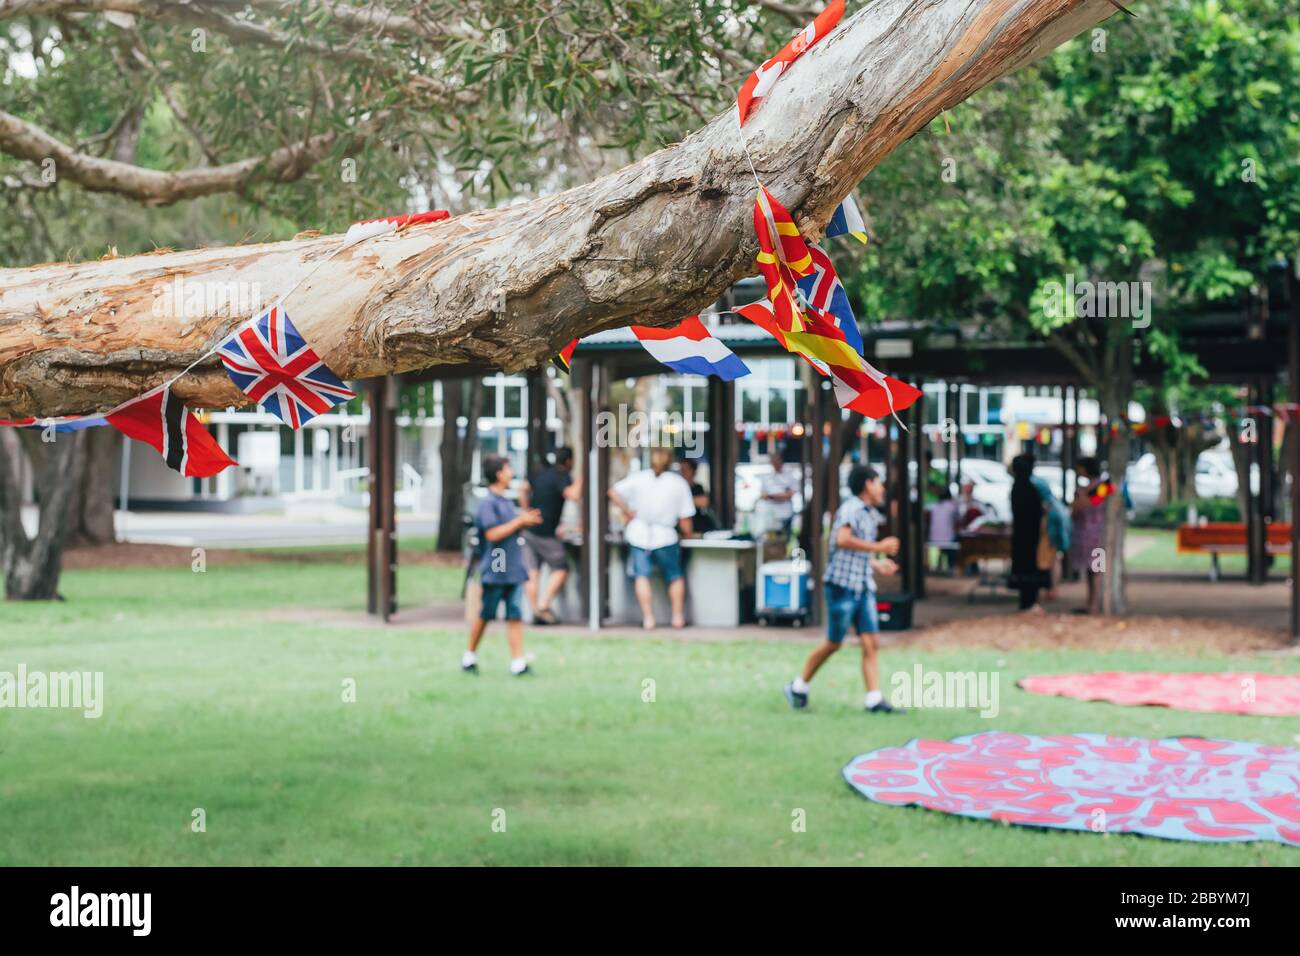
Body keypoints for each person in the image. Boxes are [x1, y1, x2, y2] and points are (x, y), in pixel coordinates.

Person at [783, 465, 902, 714]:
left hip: (862, 585)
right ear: (868, 484)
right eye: (879, 482)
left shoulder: (869, 513)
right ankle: (798, 686)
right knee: (833, 643)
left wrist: (877, 565)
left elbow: (854, 550)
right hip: (842, 586)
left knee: (871, 641)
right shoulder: (851, 508)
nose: (882, 488)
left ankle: (874, 699)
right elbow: (842, 540)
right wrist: (878, 546)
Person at [463, 454, 542, 676]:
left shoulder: (506, 501)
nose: (512, 473)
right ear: (498, 474)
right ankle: (469, 657)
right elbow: (492, 534)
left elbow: (508, 529)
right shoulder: (488, 504)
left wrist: (525, 521)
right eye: (508, 469)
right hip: (497, 566)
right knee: (486, 613)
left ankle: (518, 663)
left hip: (514, 567)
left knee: (515, 614)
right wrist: (519, 521)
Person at [607, 447, 696, 629]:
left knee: (642, 575)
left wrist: (628, 511)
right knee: (674, 575)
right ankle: (677, 617)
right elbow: (686, 519)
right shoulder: (677, 483)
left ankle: (649, 618)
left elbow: (613, 491)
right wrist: (688, 533)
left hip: (640, 534)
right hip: (665, 536)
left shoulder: (639, 478)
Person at [521, 447, 582, 624]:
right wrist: (584, 476)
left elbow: (523, 487)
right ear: (569, 461)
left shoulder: (541, 473)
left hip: (529, 529)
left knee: (532, 572)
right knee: (561, 568)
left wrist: (527, 511)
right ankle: (542, 606)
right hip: (545, 533)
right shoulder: (562, 476)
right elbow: (573, 494)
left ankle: (535, 611)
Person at [1008, 453, 1051, 612]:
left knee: (1026, 567)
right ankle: (1029, 602)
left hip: (1022, 535)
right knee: (1030, 567)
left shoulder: (1018, 487)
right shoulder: (1029, 487)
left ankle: (1028, 602)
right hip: (1031, 536)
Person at [1070, 456, 1109, 615]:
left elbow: (1082, 506)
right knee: (1090, 570)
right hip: (1089, 535)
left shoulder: (1102, 487)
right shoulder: (1102, 487)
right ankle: (1090, 602)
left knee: (1096, 570)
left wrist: (1082, 495)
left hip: (1096, 536)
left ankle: (1094, 604)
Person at [758, 449, 799, 536]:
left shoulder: (789, 474)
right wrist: (780, 495)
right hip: (771, 515)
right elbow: (763, 495)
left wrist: (772, 496)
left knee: (785, 539)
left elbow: (790, 494)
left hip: (786, 514)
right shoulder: (768, 476)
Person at [678, 458, 719, 534]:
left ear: (693, 471)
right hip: (681, 528)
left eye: (686, 470)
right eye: (681, 470)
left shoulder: (698, 487)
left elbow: (704, 501)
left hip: (697, 527)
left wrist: (682, 502)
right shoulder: (677, 488)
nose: (683, 473)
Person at [926, 484, 960, 572]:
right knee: (957, 539)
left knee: (946, 540)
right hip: (948, 539)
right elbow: (958, 520)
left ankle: (940, 565)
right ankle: (952, 566)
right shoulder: (953, 506)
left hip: (934, 538)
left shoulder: (934, 507)